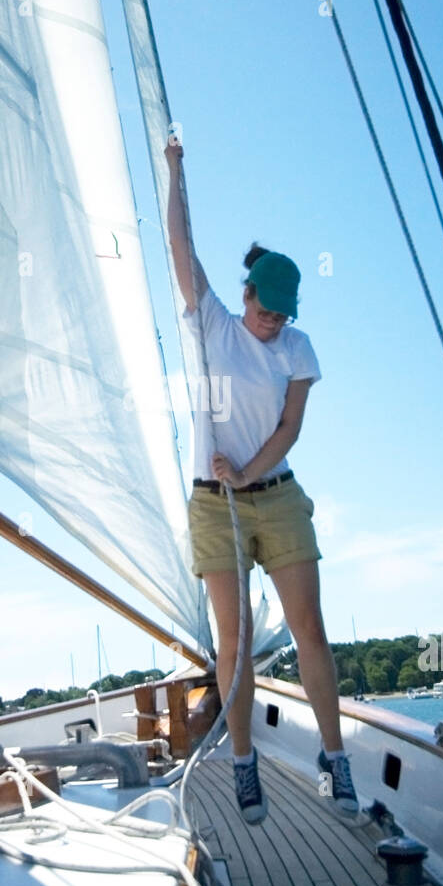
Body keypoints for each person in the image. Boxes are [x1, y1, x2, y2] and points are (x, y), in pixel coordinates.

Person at [166, 136, 361, 826]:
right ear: (245, 295)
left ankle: (336, 759)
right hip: (212, 505)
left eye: (282, 313)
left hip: (275, 497)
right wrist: (175, 171)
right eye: (265, 309)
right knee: (235, 638)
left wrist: (246, 469)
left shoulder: (299, 350)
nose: (272, 322)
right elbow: (179, 246)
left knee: (309, 625)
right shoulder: (213, 323)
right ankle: (244, 762)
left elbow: (289, 429)